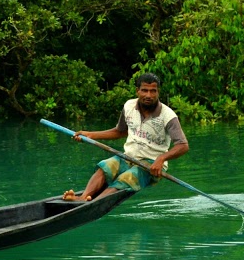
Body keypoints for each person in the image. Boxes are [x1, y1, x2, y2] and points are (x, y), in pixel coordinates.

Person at [63, 72, 189, 202]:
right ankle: (83, 198)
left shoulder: (168, 115)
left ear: (158, 92)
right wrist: (90, 134)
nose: (148, 95)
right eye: (144, 90)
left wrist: (161, 159)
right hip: (127, 157)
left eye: (153, 91)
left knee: (125, 179)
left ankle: (95, 203)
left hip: (151, 164)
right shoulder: (129, 106)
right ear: (137, 91)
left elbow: (183, 145)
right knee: (104, 167)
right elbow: (120, 131)